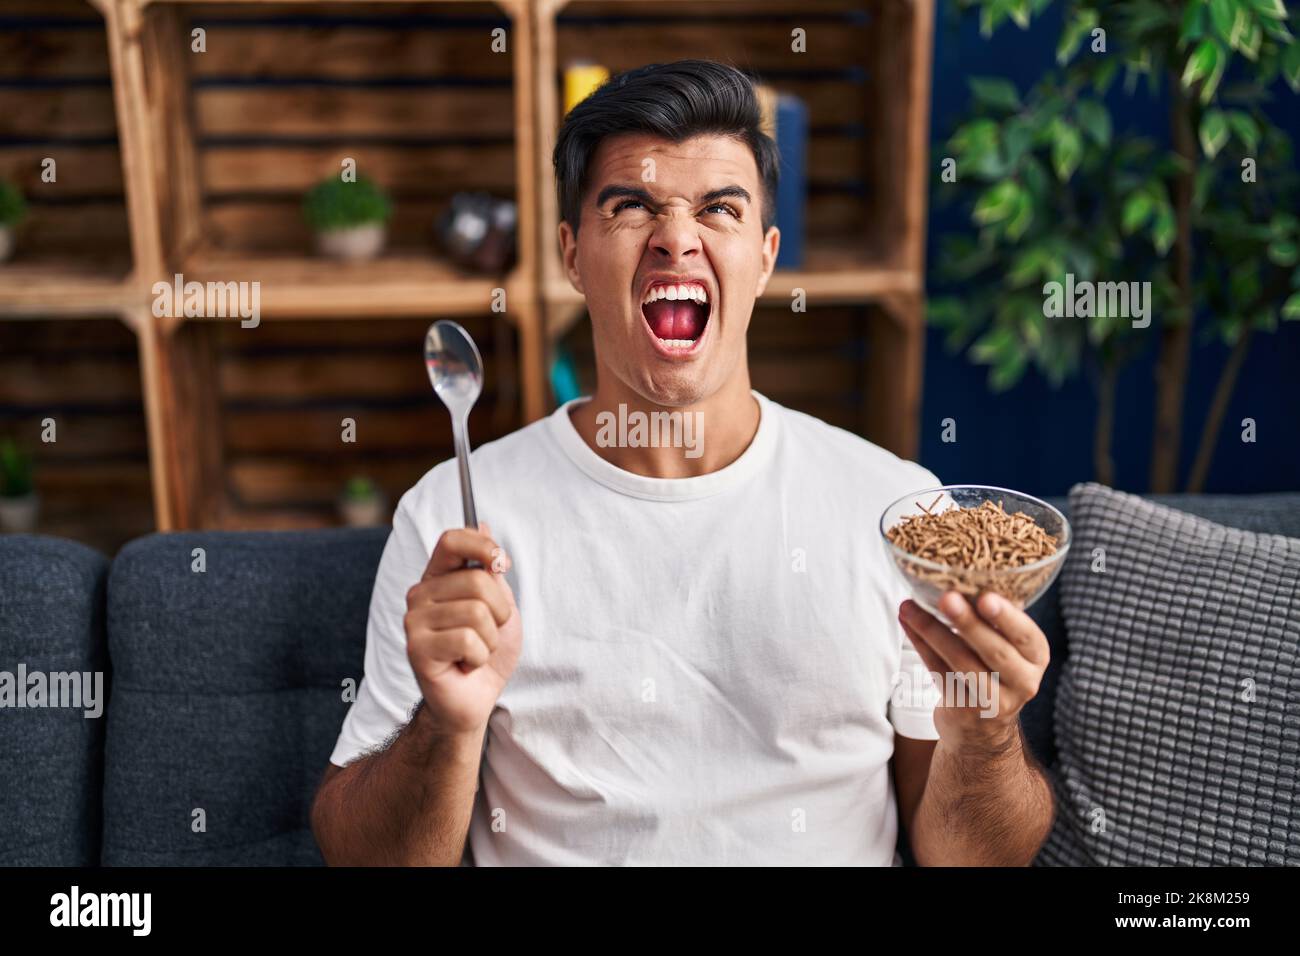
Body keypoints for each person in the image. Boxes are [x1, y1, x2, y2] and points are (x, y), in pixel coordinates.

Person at [311, 59, 1055, 866]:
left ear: (765, 258)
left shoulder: (899, 510)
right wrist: (447, 726)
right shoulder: (454, 518)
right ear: (571, 255)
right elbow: (362, 859)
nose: (676, 237)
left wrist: (985, 735)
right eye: (632, 206)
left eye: (719, 209)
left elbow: (972, 859)